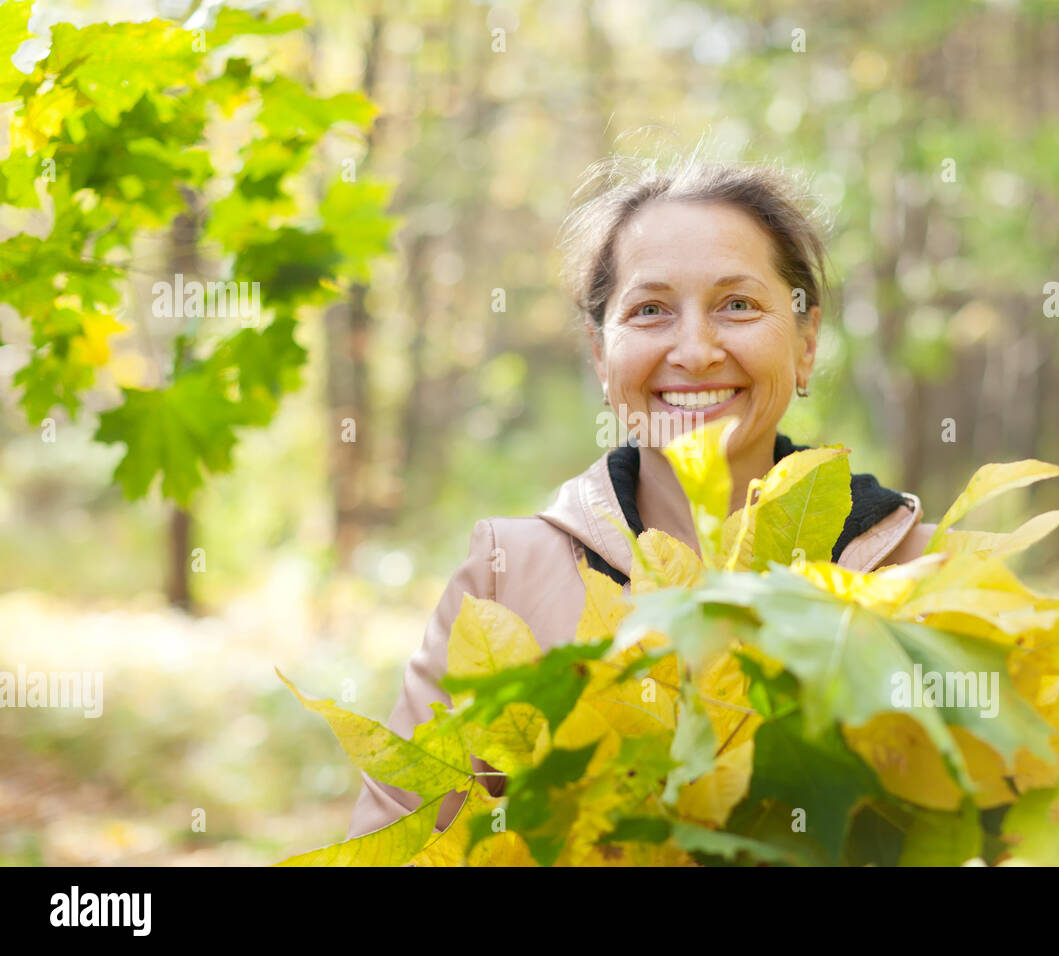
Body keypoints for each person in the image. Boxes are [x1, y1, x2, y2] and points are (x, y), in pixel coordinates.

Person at [347, 147, 935, 841]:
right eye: (651, 309)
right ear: (601, 354)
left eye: (738, 305)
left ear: (806, 342)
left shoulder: (917, 573)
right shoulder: (505, 577)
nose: (694, 350)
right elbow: (401, 842)